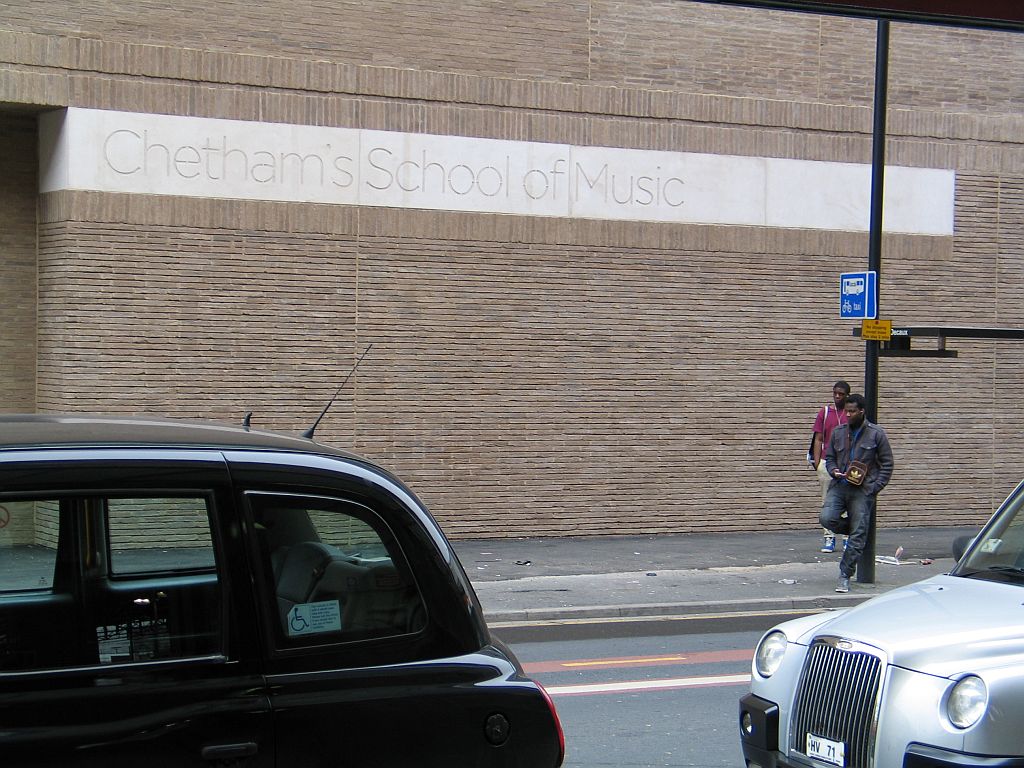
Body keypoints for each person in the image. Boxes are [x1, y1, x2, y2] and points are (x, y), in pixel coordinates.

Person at [821, 393, 894, 593]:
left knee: (858, 533)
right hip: (840, 485)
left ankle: (845, 574)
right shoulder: (838, 432)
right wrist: (834, 470)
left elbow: (887, 464)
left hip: (862, 489)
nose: (848, 415)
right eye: (846, 411)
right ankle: (858, 531)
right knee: (827, 518)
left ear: (862, 411)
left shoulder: (876, 433)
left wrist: (874, 487)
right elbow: (830, 457)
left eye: (852, 411)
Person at [811, 381, 850, 552]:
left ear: (847, 395)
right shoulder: (825, 412)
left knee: (849, 501)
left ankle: (848, 538)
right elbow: (818, 438)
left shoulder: (851, 413)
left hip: (847, 463)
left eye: (841, 394)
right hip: (827, 463)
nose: (837, 396)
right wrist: (819, 463)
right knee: (827, 502)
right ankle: (829, 538)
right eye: (835, 393)